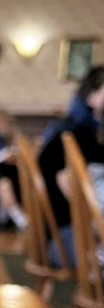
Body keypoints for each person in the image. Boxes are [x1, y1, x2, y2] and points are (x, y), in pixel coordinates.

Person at [39, 66, 104, 228]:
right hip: (70, 232)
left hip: (64, 229)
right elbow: (66, 181)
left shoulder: (72, 129)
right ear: (91, 97)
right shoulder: (75, 135)